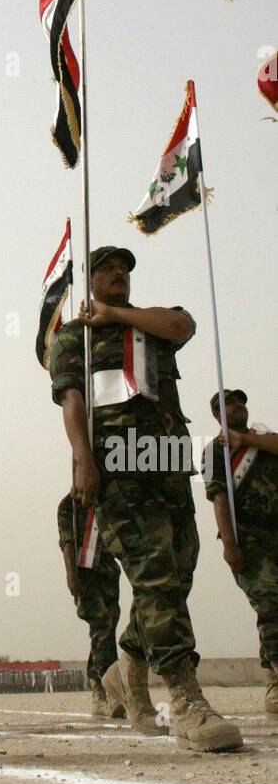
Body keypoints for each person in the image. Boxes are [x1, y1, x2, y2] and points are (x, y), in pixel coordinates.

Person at [49, 244, 241, 752]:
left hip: (169, 462)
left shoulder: (148, 326)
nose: (117, 274)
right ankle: (184, 697)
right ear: (89, 278)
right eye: (106, 269)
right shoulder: (74, 336)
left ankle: (127, 665)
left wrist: (116, 313)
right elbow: (72, 401)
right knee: (155, 568)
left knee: (180, 567)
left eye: (124, 270)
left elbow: (185, 325)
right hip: (117, 466)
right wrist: (83, 460)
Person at [202, 388, 278, 717]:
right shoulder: (212, 453)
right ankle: (275, 679)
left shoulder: (264, 439)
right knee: (270, 601)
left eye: (241, 401)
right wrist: (229, 545)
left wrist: (248, 441)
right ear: (217, 414)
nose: (237, 406)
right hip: (249, 538)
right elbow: (218, 498)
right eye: (229, 403)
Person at [57, 494, 124, 719]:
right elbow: (66, 541)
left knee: (107, 628)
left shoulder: (110, 499)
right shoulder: (69, 506)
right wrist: (70, 574)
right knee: (101, 623)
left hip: (108, 572)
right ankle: (108, 691)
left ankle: (98, 682)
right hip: (83, 572)